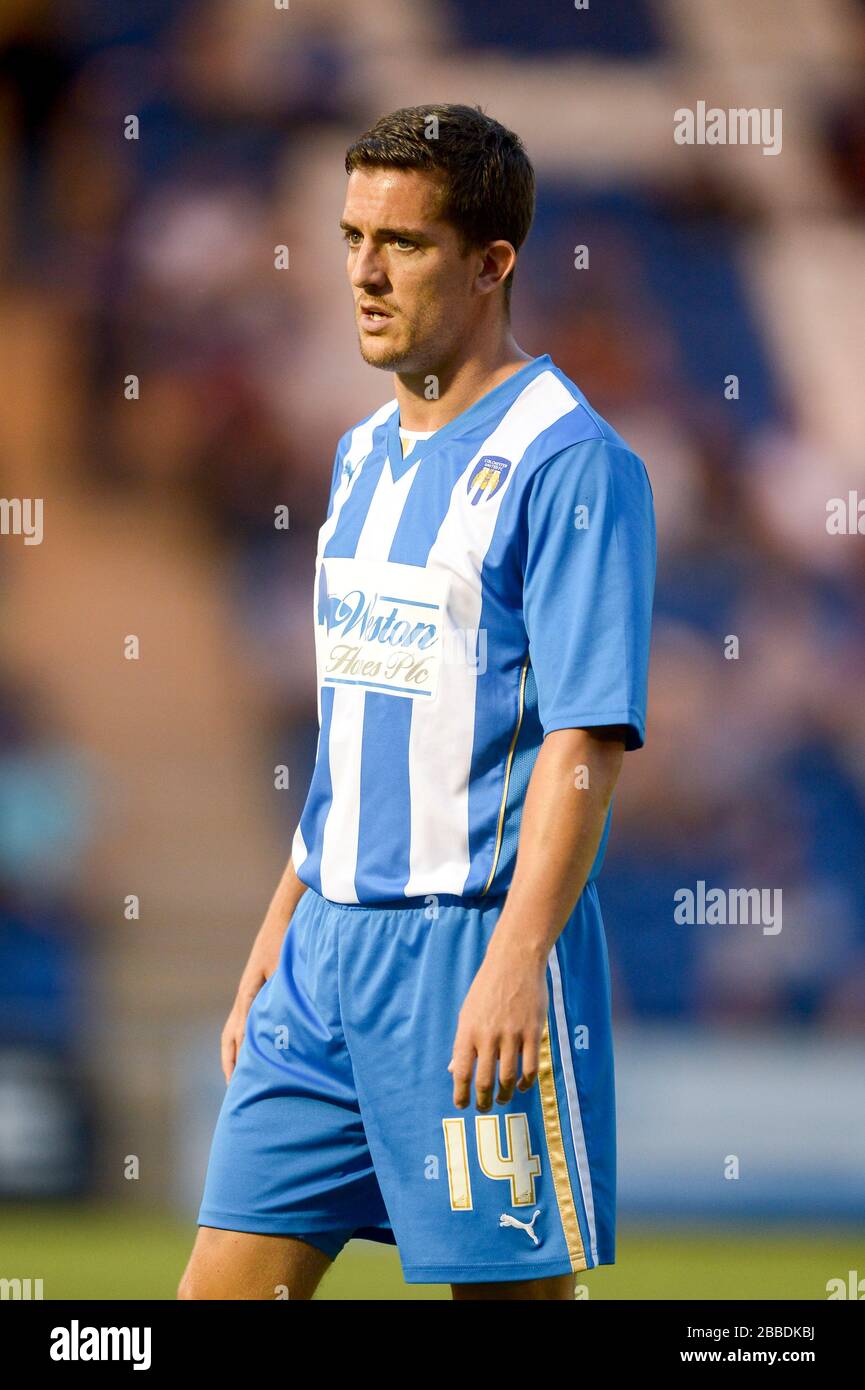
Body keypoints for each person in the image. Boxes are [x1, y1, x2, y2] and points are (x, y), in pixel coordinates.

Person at [179, 104, 656, 1302]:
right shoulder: (357, 459)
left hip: (468, 948)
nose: (364, 272)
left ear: (492, 263)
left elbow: (585, 741)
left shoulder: (571, 460)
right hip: (323, 957)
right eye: (349, 236)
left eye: (403, 242)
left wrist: (515, 958)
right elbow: (356, 731)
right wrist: (276, 932)